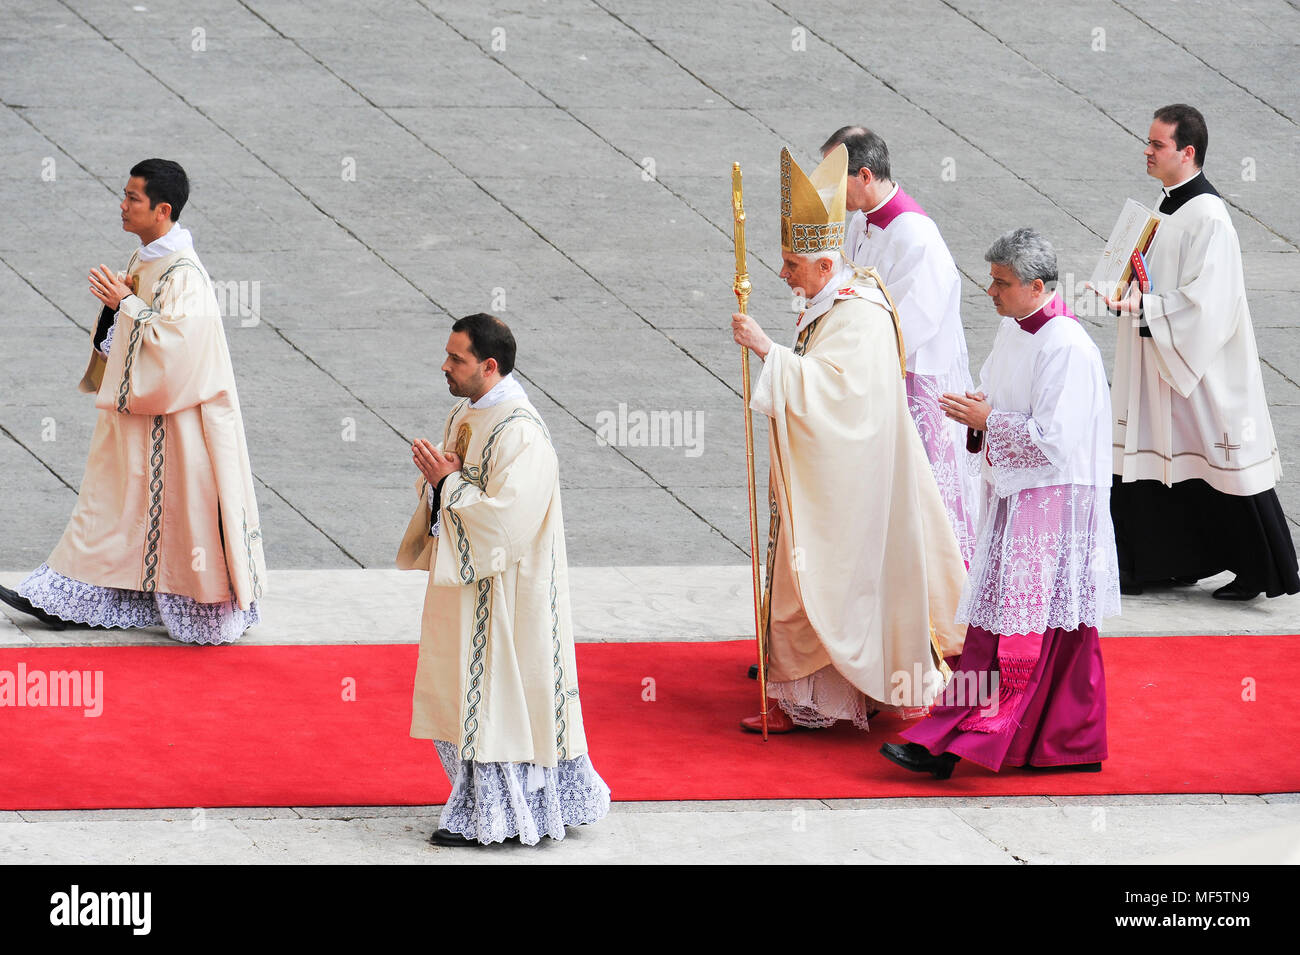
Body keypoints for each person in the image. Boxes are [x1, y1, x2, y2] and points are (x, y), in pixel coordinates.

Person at [729, 145, 966, 735]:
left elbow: (843, 397)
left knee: (832, 578)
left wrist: (768, 353)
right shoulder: (833, 296)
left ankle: (859, 691)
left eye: (791, 264)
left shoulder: (858, 312)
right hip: (826, 470)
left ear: (824, 266)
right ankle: (800, 692)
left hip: (850, 482)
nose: (783, 275)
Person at [881, 228, 1119, 778]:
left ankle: (952, 745)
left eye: (1002, 283)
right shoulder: (1015, 329)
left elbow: (1057, 440)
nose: (990, 291)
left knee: (1026, 630)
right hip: (1019, 493)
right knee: (1051, 625)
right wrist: (977, 410)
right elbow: (997, 392)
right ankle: (1066, 741)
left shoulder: (1068, 346)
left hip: (1054, 503)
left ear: (1037, 286)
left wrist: (989, 422)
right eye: (992, 279)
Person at [0, 159, 265, 645]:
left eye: (132, 199)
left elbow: (179, 352)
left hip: (180, 425)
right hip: (140, 418)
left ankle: (197, 608)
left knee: (175, 519)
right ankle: (66, 598)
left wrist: (125, 305)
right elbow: (128, 325)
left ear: (162, 210)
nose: (122, 206)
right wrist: (116, 311)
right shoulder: (145, 257)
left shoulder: (185, 274)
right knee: (112, 505)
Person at [398, 313, 610, 846]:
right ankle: (479, 805)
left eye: (457, 359)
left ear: (489, 366)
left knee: (500, 699)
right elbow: (456, 491)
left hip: (510, 596)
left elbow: (506, 523)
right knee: (466, 694)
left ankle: (506, 814)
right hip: (472, 587)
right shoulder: (466, 413)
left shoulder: (523, 434)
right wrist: (438, 486)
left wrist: (448, 485)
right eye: (447, 355)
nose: (444, 366)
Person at [1102, 104, 1299, 601]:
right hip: (1162, 358)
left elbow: (1208, 302)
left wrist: (1145, 306)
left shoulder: (1209, 217)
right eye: (1147, 142)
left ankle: (1262, 572)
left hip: (1200, 366)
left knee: (1221, 461)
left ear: (1187, 152)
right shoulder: (1168, 205)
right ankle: (1158, 563)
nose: (1146, 151)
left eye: (1157, 144)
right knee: (1154, 461)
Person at [821, 125, 980, 564]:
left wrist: (857, 355)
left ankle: (939, 584)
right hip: (877, 368)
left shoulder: (916, 236)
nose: (832, 191)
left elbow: (916, 320)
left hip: (915, 378)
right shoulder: (861, 222)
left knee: (922, 484)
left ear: (865, 175)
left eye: (838, 180)